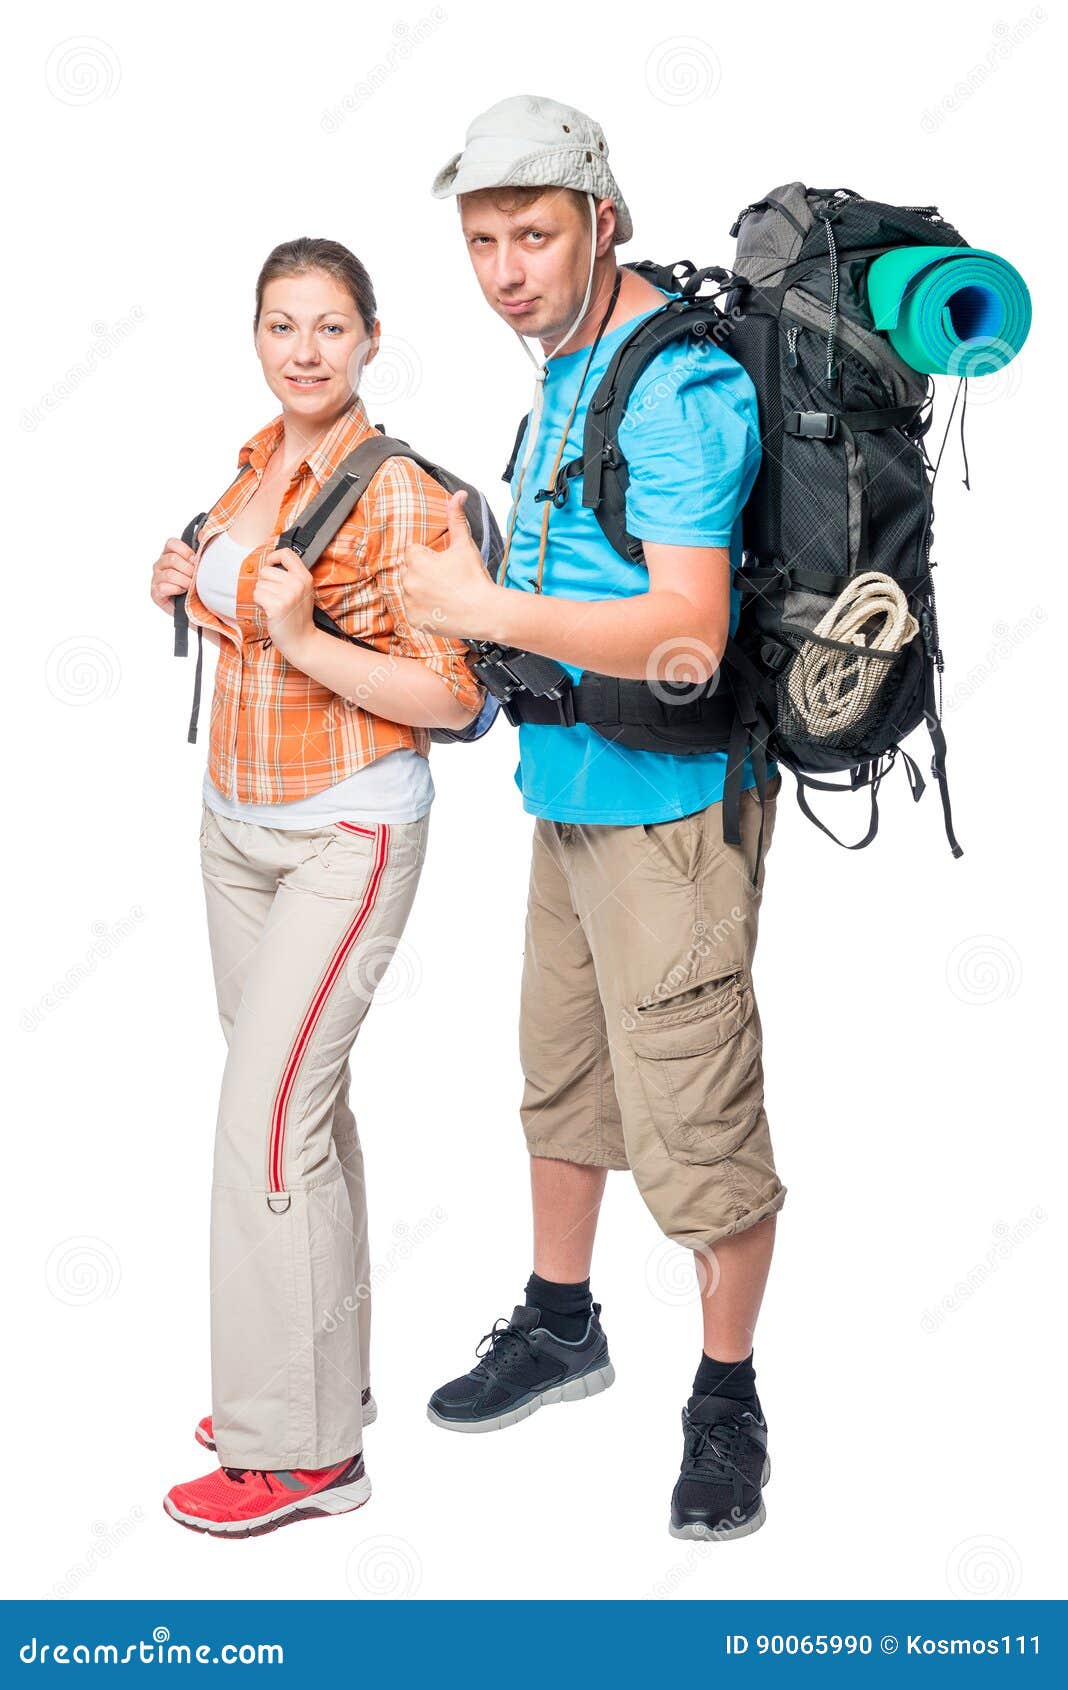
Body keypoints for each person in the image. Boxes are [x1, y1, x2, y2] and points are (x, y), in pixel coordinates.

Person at [402, 97, 785, 1540]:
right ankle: (565, 1322)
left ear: (602, 221)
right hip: (566, 795)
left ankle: (728, 1399)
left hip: (673, 816)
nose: (506, 268)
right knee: (560, 1081)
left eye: (534, 235)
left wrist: (481, 606)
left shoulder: (678, 388)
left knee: (698, 1124)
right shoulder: (561, 361)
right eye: (484, 241)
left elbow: (686, 634)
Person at [150, 237, 484, 1536]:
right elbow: (236, 587)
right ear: (257, 336)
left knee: (263, 1126)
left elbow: (452, 698)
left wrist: (297, 634)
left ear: (372, 339)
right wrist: (180, 580)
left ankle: (296, 1451)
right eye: (282, 325)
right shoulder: (255, 460)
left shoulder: (400, 493)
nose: (303, 349)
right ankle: (317, 1380)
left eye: (329, 327)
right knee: (299, 1113)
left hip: (345, 830)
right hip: (236, 826)